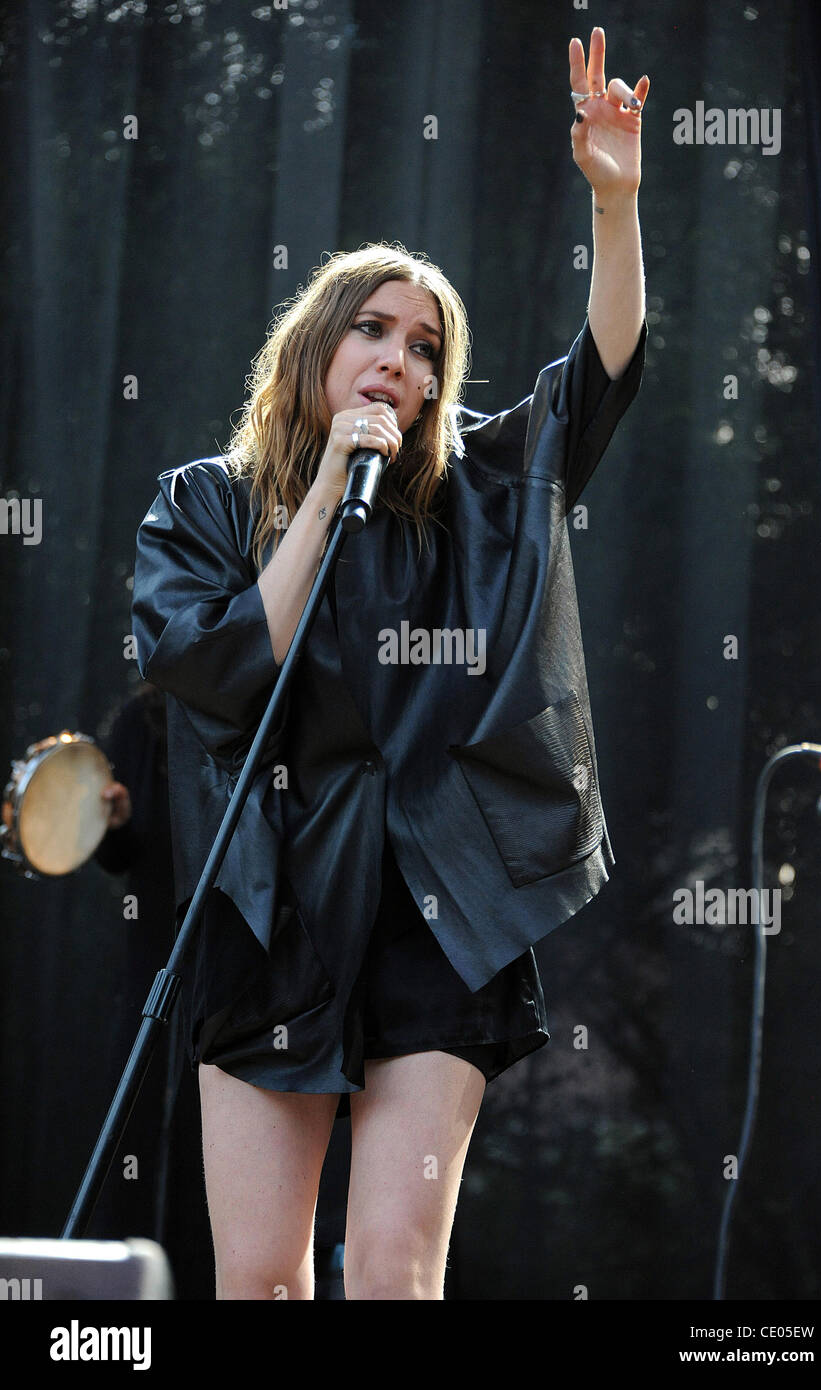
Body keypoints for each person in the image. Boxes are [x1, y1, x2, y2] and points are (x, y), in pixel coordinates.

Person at [131, 31, 650, 1301]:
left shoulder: (474, 490)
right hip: (270, 909)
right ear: (315, 348)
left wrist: (616, 205)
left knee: (397, 1272)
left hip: (437, 907)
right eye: (374, 330)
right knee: (259, 1278)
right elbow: (210, 675)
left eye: (427, 347)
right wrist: (319, 498)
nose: (402, 362)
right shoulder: (205, 502)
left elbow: (602, 376)